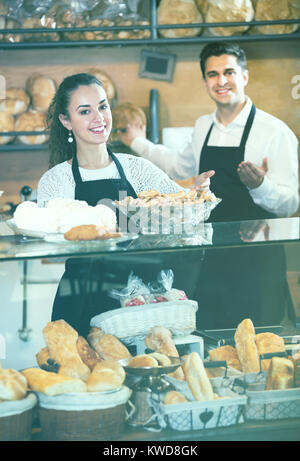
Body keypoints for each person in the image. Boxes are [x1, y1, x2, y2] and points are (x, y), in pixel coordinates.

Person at [118, 41, 299, 329]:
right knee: (211, 334)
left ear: (244, 76)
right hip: (212, 257)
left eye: (229, 72)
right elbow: (179, 166)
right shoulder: (204, 126)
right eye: (213, 74)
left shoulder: (274, 131)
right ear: (205, 82)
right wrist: (137, 142)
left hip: (258, 261)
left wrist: (260, 185)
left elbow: (292, 204)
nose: (221, 81)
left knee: (263, 341)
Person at [37, 73, 189, 337]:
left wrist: (198, 193)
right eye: (85, 111)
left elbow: (184, 208)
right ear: (65, 121)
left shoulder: (138, 169)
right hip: (83, 299)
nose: (98, 118)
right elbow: (53, 248)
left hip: (140, 303)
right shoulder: (55, 181)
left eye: (103, 106)